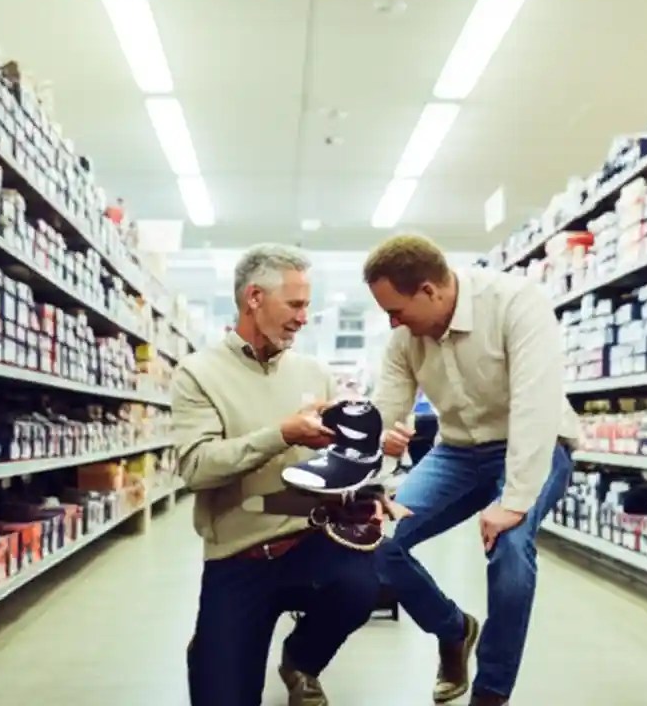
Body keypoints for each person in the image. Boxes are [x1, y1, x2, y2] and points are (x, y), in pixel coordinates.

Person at [363, 234, 578, 706]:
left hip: (536, 445)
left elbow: (534, 409)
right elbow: (386, 406)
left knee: (510, 550)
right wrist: (377, 437)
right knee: (376, 539)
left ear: (430, 291)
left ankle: (491, 692)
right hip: (458, 451)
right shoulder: (405, 337)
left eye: (396, 310)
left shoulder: (516, 304)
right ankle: (453, 629)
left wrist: (514, 501)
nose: (392, 322)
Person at [172, 244, 379, 706]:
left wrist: (368, 456)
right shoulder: (198, 374)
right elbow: (197, 468)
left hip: (308, 541)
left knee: (365, 582)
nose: (305, 317)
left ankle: (299, 658)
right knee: (221, 694)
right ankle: (215, 648)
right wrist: (281, 434)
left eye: (307, 304)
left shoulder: (314, 372)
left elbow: (338, 463)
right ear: (254, 298)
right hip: (238, 556)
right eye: (296, 304)